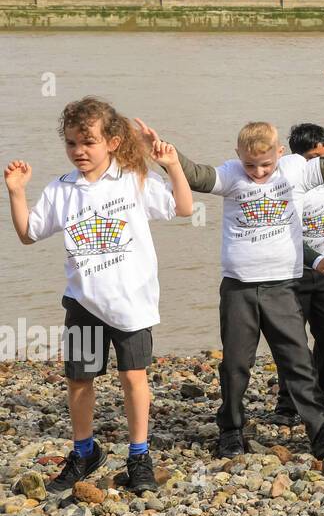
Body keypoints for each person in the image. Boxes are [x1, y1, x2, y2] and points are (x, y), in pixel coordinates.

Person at [138, 102, 324, 460]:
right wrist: (166, 152)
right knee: (235, 363)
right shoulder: (233, 175)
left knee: (296, 360)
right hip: (240, 287)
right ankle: (231, 429)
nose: (259, 172)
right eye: (251, 164)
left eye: (267, 164)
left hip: (282, 286)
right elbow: (198, 176)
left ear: (281, 152)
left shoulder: (294, 169)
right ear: (238, 155)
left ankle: (321, 429)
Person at [5, 97, 193, 494]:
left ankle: (139, 455)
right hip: (83, 303)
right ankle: (84, 451)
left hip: (132, 302)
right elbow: (28, 234)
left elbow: (184, 206)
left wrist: (172, 165)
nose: (79, 152)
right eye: (72, 144)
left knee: (132, 376)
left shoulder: (134, 179)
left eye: (87, 143)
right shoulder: (62, 189)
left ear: (112, 141)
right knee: (78, 380)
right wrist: (17, 192)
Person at [270, 122, 324, 425]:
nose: (323, 163)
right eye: (314, 158)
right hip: (291, 273)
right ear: (297, 159)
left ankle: (317, 395)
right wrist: (318, 258)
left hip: (323, 272)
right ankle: (286, 403)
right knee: (294, 343)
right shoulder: (288, 184)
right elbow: (284, 233)